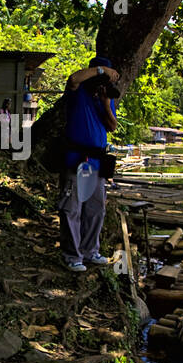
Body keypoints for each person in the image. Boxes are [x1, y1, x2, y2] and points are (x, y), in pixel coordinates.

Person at [59, 58, 124, 273]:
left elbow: (112, 126)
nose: (102, 82)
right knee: (72, 208)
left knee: (96, 209)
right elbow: (74, 78)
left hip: (97, 161)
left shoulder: (104, 98)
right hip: (76, 158)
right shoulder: (78, 92)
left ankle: (90, 251)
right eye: (100, 77)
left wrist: (106, 104)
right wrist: (102, 70)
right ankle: (71, 255)